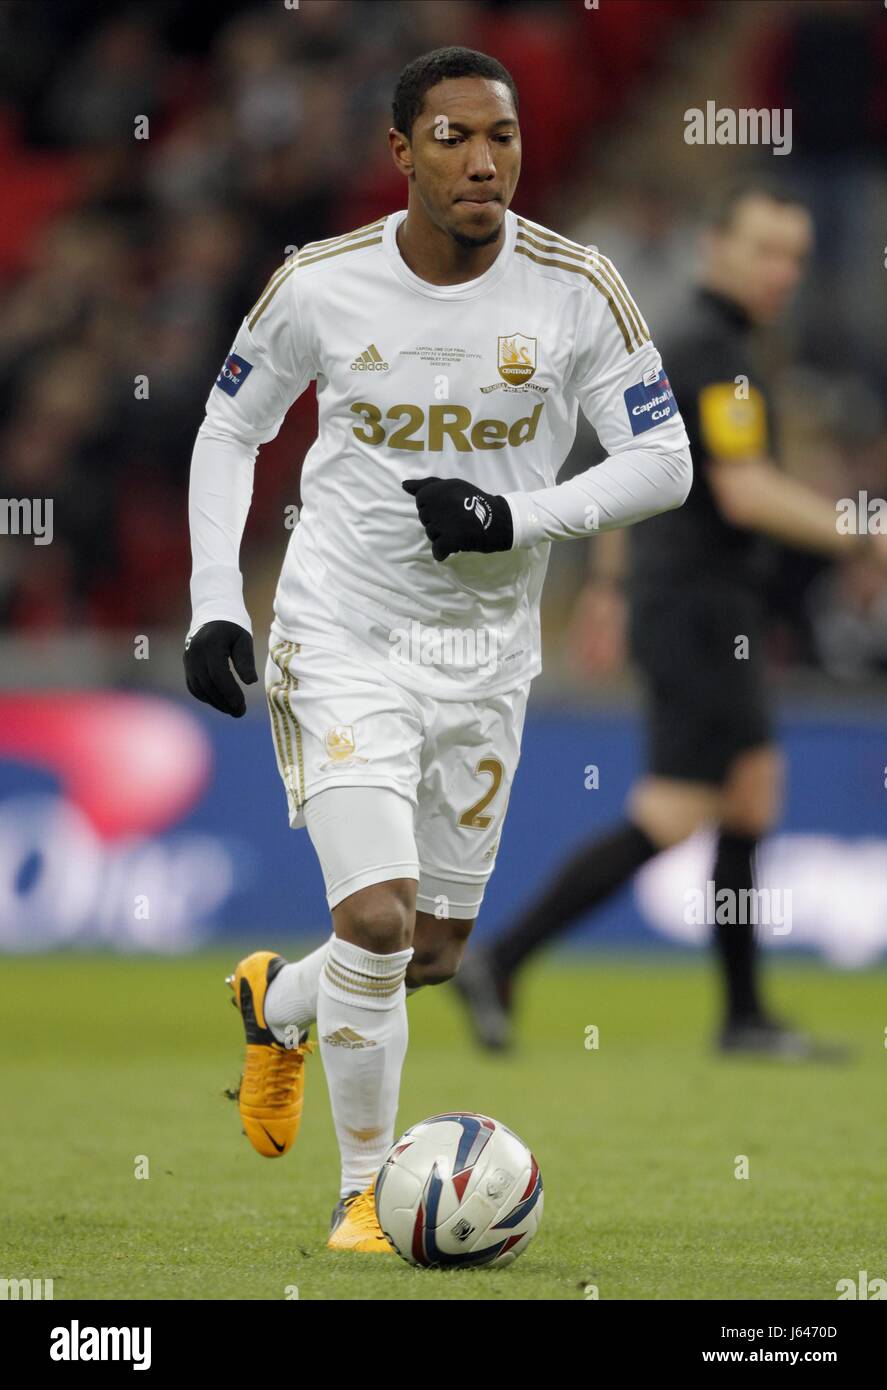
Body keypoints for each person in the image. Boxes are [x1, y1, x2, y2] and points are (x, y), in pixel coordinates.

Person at [183, 46, 691, 1253]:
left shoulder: (575, 288)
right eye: (455, 137)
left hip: (486, 654)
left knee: (431, 949)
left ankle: (277, 1001)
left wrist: (517, 516)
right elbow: (228, 426)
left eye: (501, 138)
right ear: (400, 152)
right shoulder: (319, 284)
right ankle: (365, 1193)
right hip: (340, 631)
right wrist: (215, 599)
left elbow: (663, 463)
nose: (483, 161)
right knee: (375, 915)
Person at [456, 179, 887, 1057]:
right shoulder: (713, 351)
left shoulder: (697, 344)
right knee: (675, 808)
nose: (782, 273)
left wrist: (612, 587)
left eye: (794, 258)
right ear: (712, 249)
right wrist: (862, 534)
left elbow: (633, 469)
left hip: (687, 599)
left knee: (751, 787)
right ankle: (500, 957)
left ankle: (742, 1016)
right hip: (696, 608)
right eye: (764, 251)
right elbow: (743, 489)